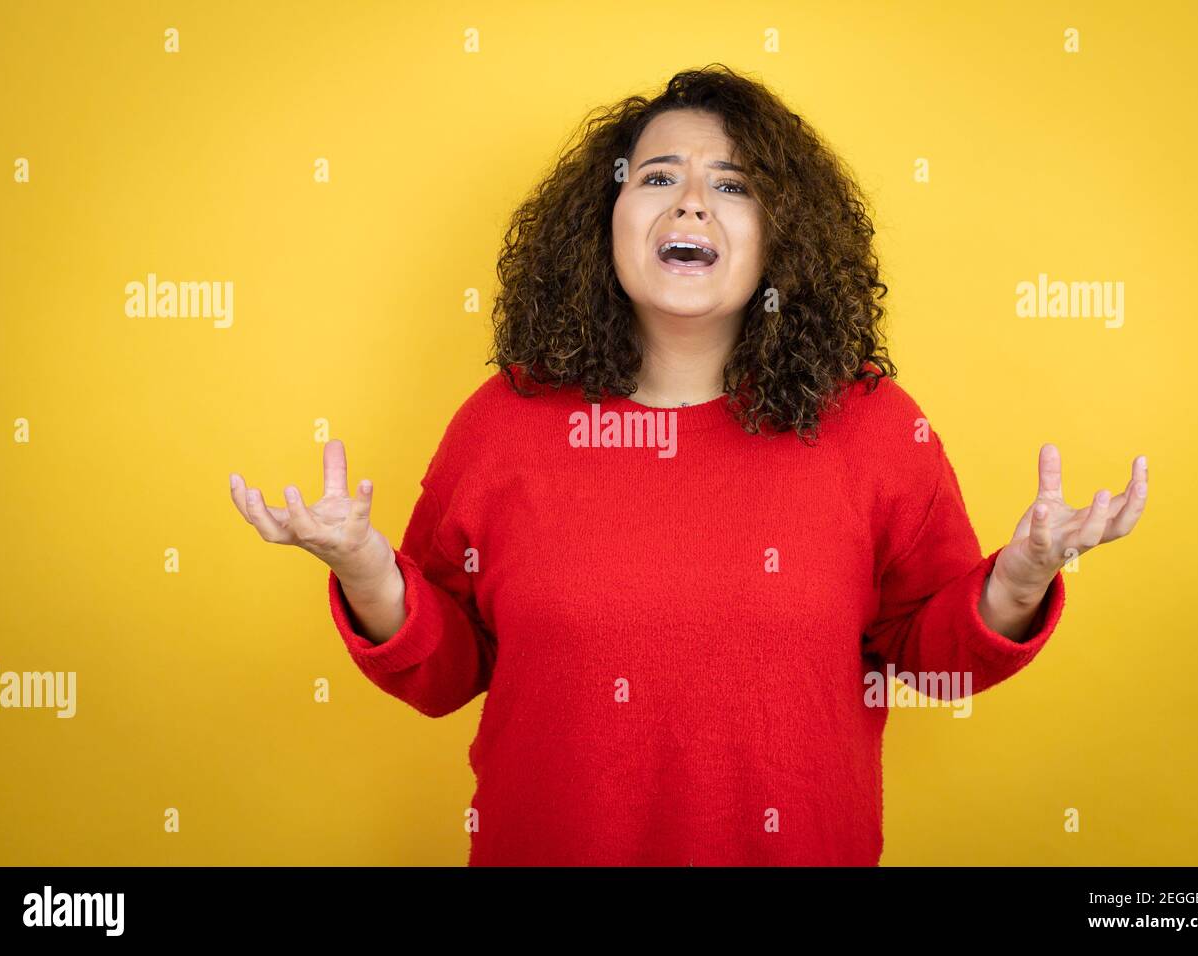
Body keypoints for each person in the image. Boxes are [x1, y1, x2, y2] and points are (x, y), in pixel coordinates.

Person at [228, 64, 1148, 866]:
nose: (691, 202)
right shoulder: (502, 425)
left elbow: (928, 655)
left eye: (733, 186)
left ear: (782, 240)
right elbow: (446, 671)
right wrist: (363, 569)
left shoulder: (873, 430)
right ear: (606, 221)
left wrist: (1020, 579)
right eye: (657, 176)